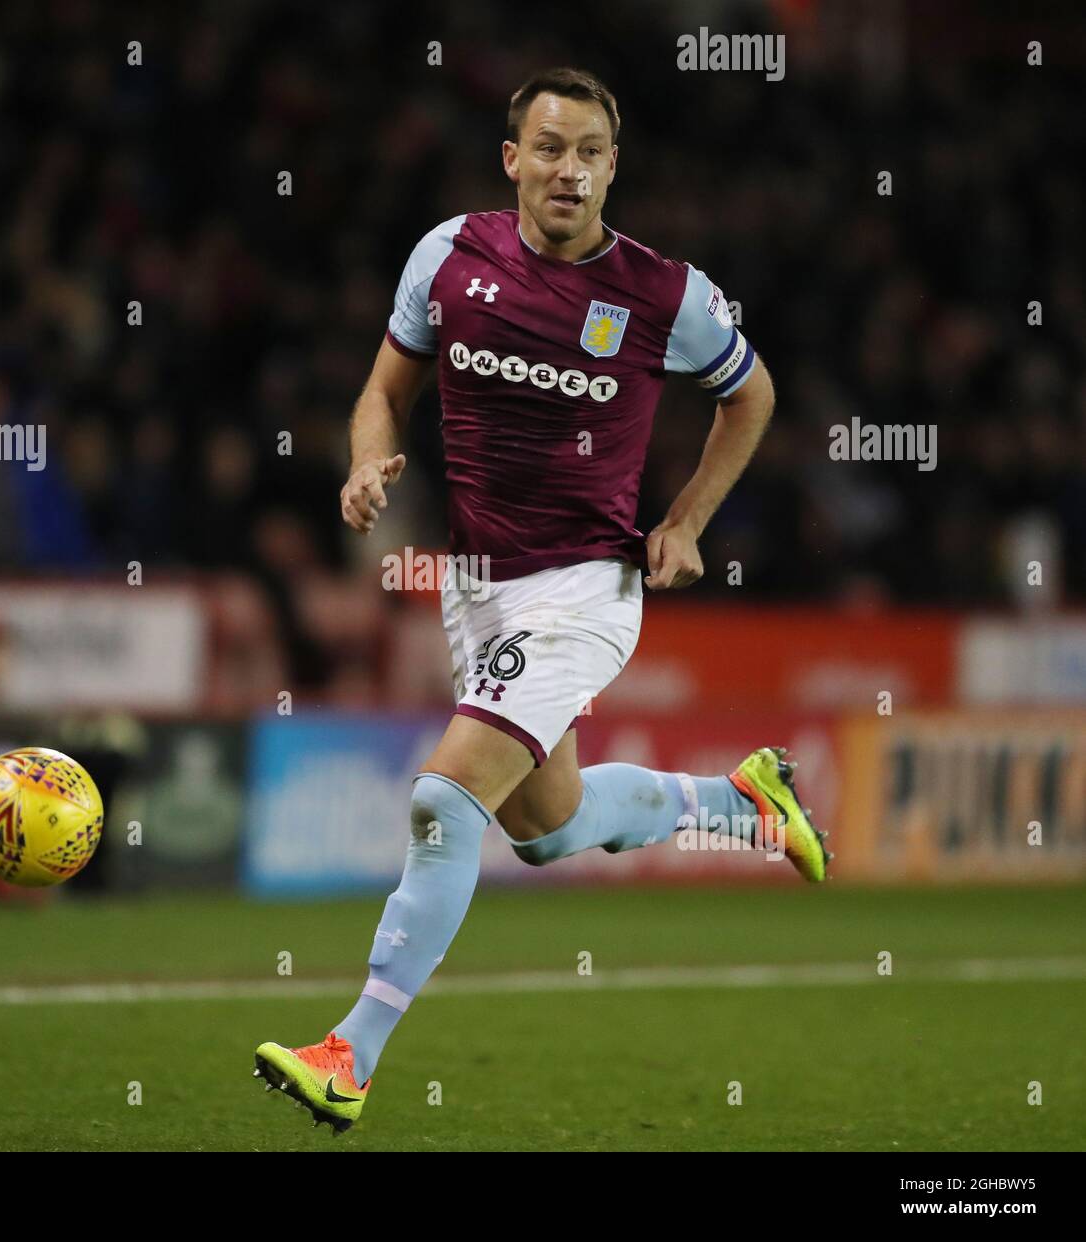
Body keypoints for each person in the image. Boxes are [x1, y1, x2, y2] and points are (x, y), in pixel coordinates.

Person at [253, 67, 830, 1133]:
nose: (571, 171)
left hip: (583, 590)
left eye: (592, 153)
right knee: (548, 831)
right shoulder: (448, 257)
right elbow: (382, 392)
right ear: (512, 160)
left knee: (441, 801)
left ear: (616, 167)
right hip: (476, 592)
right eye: (550, 148)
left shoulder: (666, 295)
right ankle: (741, 804)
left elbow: (751, 394)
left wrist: (689, 521)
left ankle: (351, 1053)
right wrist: (366, 463)